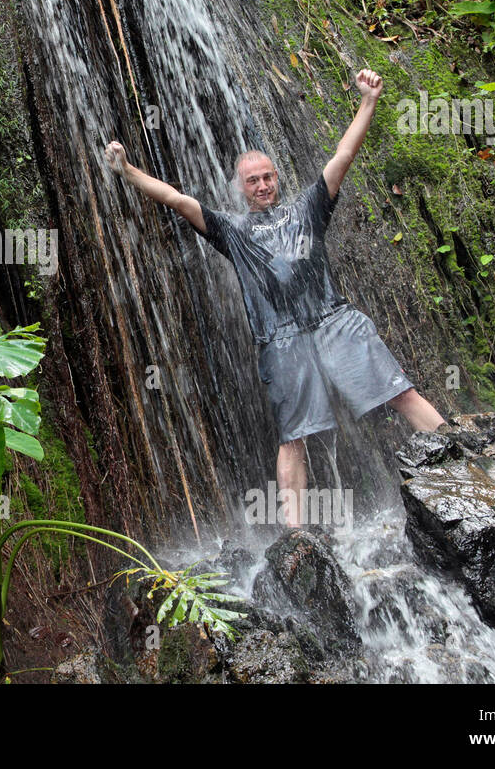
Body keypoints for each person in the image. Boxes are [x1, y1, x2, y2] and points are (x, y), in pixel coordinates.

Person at [105, 68, 446, 528]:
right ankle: (297, 538)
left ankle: (459, 461)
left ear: (277, 178)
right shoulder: (230, 230)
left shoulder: (308, 207)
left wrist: (368, 102)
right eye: (253, 181)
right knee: (292, 438)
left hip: (332, 320)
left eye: (267, 177)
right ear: (240, 188)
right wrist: (126, 170)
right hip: (281, 341)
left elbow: (343, 155)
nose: (262, 185)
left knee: (400, 392)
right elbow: (175, 198)